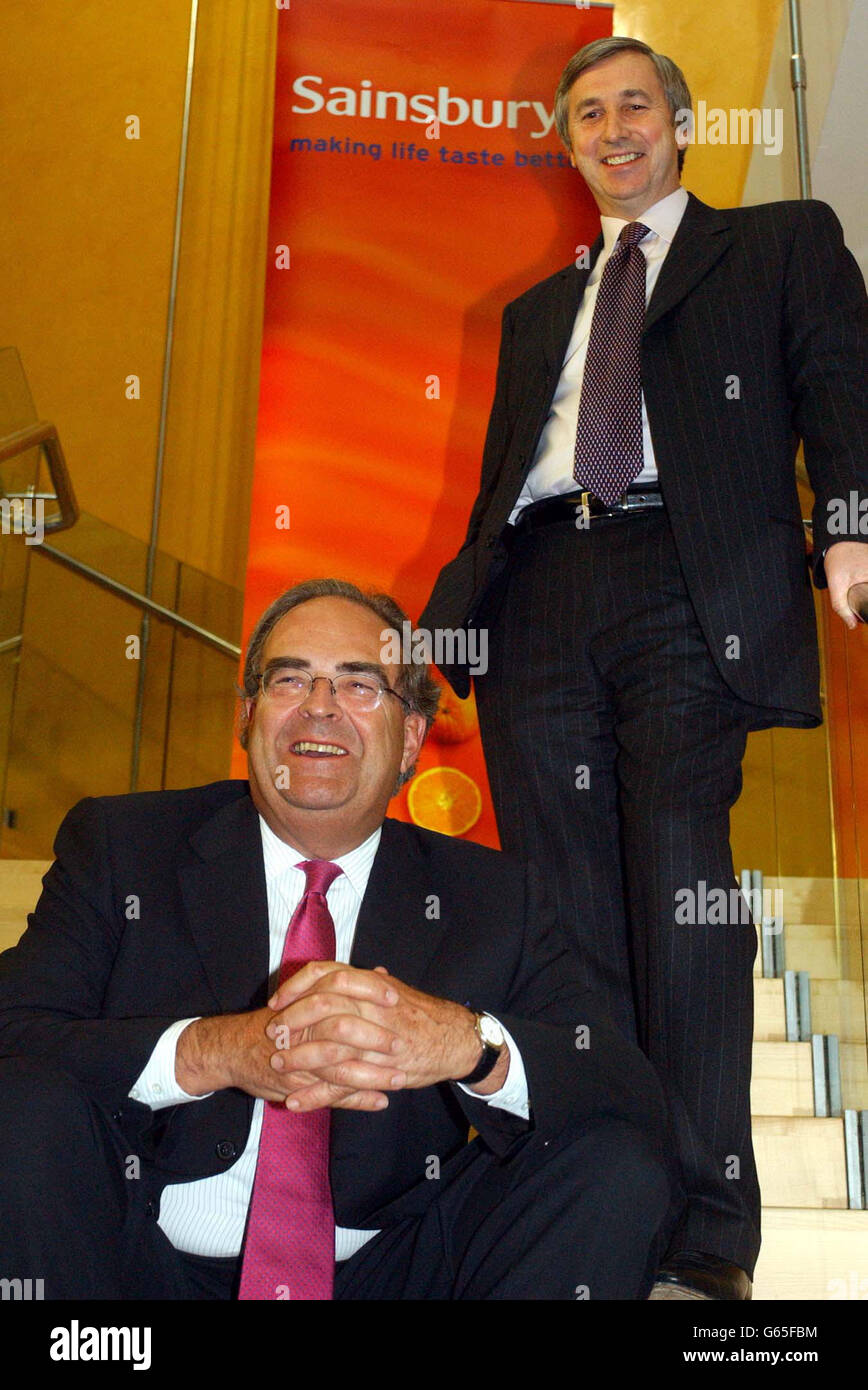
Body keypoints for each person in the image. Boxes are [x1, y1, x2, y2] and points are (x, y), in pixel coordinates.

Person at [420, 36, 868, 1300]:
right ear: (565, 147)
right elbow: (497, 490)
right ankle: (602, 1204)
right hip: (540, 594)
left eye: (633, 105)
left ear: (678, 121)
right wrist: (441, 633)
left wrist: (849, 527)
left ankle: (709, 1235)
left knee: (683, 892)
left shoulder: (778, 243)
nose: (611, 129)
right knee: (564, 925)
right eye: (585, 116)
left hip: (689, 576)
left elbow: (841, 384)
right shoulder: (534, 313)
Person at [0, 577, 674, 1301]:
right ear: (249, 713)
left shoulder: (495, 897)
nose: (319, 706)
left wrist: (465, 1043)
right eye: (290, 679)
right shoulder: (124, 847)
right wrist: (212, 1051)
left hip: (393, 1272)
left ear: (411, 736)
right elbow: (15, 1034)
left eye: (360, 686)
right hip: (138, 1266)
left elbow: (623, 1087)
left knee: (615, 1161)